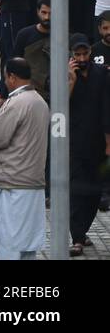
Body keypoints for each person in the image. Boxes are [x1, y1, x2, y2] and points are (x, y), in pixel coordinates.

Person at [0, 59, 50, 259]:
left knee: (8, 242)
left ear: (12, 77)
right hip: (33, 182)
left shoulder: (17, 102)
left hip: (12, 184)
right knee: (26, 245)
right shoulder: (39, 101)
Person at [66, 36, 110, 255]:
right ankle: (76, 237)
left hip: (97, 143)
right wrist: (71, 81)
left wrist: (108, 142)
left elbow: (106, 109)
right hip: (73, 142)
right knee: (76, 191)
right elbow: (59, 106)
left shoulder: (101, 74)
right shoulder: (63, 74)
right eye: (77, 55)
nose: (82, 59)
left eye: (85, 54)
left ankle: (82, 231)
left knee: (94, 193)